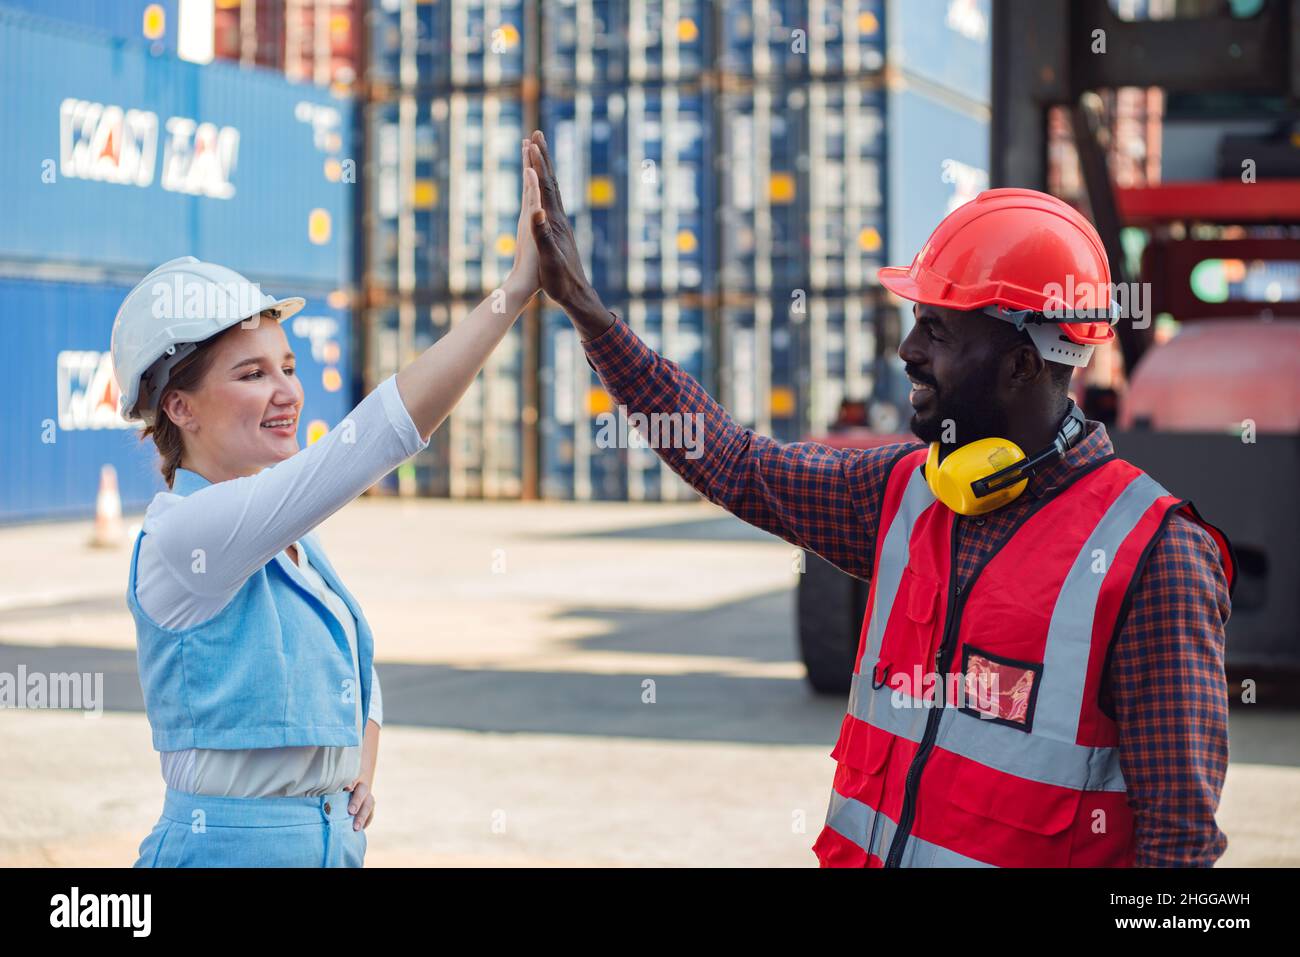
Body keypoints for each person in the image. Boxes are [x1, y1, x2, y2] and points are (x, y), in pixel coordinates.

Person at [521, 129, 1237, 868]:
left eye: (937, 329)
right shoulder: (903, 494)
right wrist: (589, 314)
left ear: (1022, 364)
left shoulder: (1153, 559)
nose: (908, 352)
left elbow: (1178, 847)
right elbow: (736, 462)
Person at [116, 142, 544, 867]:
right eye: (252, 373)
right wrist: (513, 293)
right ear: (179, 406)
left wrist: (353, 778)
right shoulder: (185, 536)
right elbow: (371, 440)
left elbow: (357, 670)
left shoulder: (295, 546)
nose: (287, 392)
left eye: (288, 366)